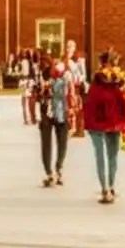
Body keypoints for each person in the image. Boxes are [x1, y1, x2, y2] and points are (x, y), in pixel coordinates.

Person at [85, 50, 125, 204]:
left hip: (99, 123)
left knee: (102, 155)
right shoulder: (119, 83)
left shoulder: (98, 83)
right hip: (113, 123)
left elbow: (91, 103)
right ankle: (109, 187)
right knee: (111, 156)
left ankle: (106, 188)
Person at [35, 54, 75, 187]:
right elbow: (71, 93)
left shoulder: (61, 75)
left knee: (52, 143)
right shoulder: (65, 75)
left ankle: (53, 172)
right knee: (59, 142)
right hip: (57, 111)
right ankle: (55, 171)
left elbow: (36, 95)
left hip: (51, 111)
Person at [64, 39, 88, 138]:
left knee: (78, 107)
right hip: (68, 86)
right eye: (68, 46)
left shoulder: (80, 60)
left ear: (75, 47)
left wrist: (78, 80)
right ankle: (71, 127)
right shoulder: (66, 60)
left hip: (77, 86)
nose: (69, 48)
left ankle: (80, 130)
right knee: (69, 106)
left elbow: (84, 75)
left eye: (71, 46)